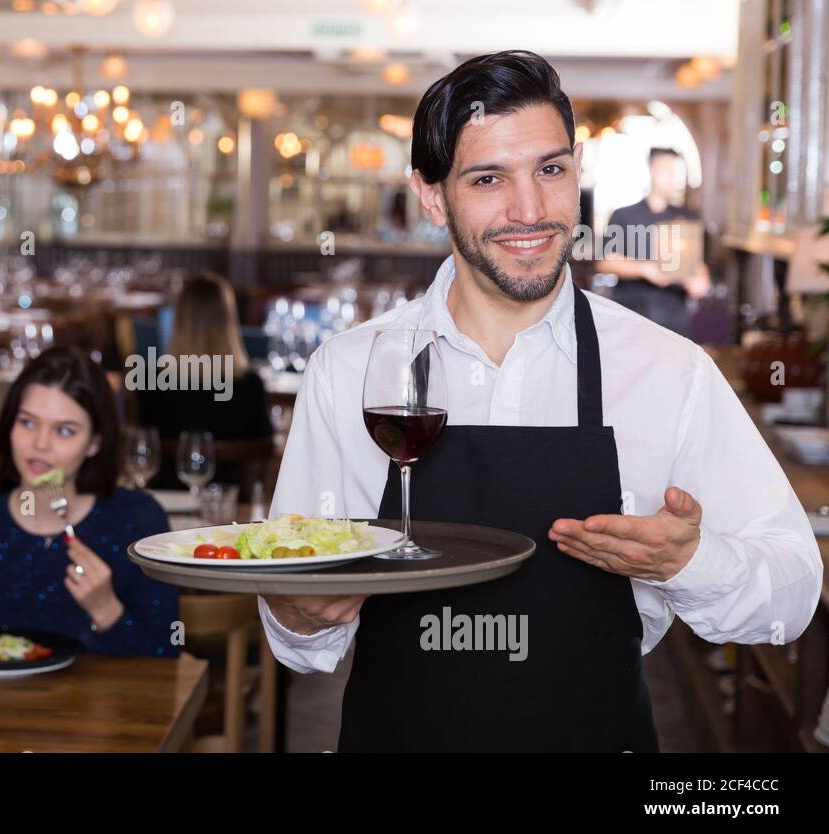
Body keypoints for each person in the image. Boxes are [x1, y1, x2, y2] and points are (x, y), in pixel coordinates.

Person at [259, 51, 823, 752]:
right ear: (431, 195)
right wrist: (298, 608)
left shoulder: (668, 370)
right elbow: (298, 638)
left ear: (576, 169)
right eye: (489, 178)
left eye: (550, 170)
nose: (530, 210)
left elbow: (795, 593)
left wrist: (689, 561)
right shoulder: (347, 375)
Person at [0, 346, 179, 657]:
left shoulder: (140, 522)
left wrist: (107, 610)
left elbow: (166, 657)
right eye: (28, 423)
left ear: (94, 443)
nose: (40, 444)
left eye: (64, 430)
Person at [137, 272, 272, 489]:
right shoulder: (250, 384)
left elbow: (144, 448)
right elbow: (265, 449)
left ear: (178, 320)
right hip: (235, 507)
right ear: (229, 321)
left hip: (167, 502)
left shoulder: (150, 380)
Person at [594, 147, 712, 336]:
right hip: (631, 314)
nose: (673, 178)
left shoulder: (687, 217)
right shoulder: (624, 215)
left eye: (676, 172)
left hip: (674, 316)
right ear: (651, 171)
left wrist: (701, 281)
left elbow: (698, 265)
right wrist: (645, 269)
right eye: (667, 171)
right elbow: (605, 262)